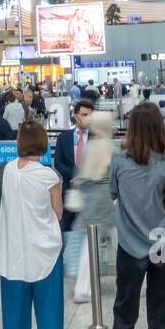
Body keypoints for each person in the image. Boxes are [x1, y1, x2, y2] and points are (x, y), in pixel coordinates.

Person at [92, 102, 165, 329]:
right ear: (159, 128)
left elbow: (113, 194)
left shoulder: (119, 162)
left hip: (130, 246)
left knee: (124, 312)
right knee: (160, 315)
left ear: (131, 129)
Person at [0, 120, 65, 329]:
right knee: (50, 320)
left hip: (12, 256)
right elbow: (58, 213)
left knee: (13, 319)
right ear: (44, 144)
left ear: (19, 143)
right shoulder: (49, 176)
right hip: (46, 255)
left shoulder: (6, 171)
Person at [71, 111, 117, 304]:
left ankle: (83, 288)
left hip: (90, 201)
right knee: (118, 243)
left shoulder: (90, 146)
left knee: (89, 247)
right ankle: (85, 289)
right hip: (106, 202)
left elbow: (82, 175)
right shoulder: (109, 147)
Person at [53, 99, 95, 277]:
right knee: (65, 223)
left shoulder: (96, 138)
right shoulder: (64, 137)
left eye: (91, 116)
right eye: (85, 115)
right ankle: (63, 263)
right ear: (76, 115)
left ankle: (89, 264)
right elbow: (58, 162)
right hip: (70, 188)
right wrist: (72, 175)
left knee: (91, 226)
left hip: (91, 190)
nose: (88, 119)